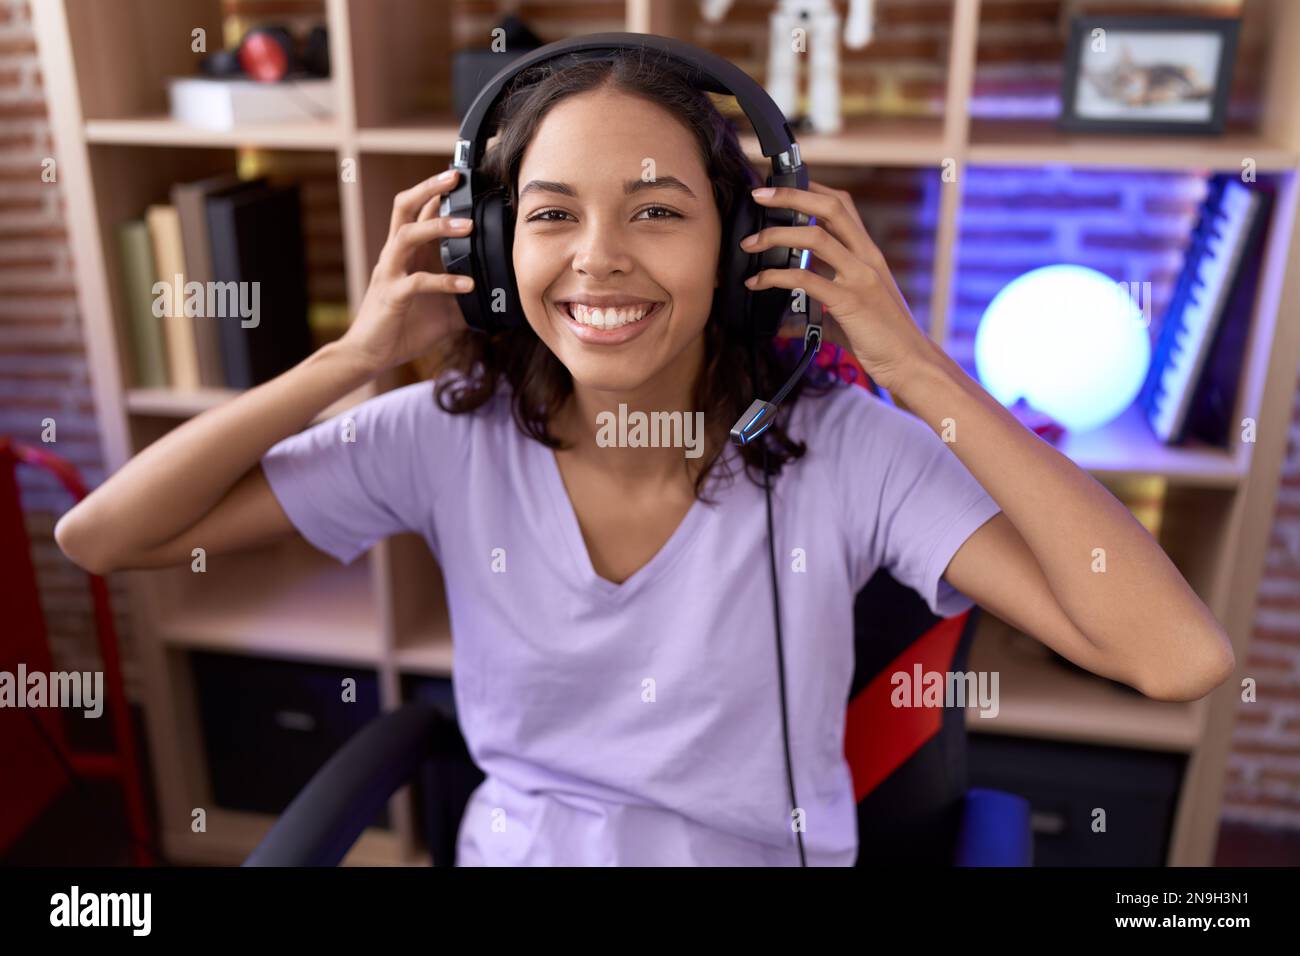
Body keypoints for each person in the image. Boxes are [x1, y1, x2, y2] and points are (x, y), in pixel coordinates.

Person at [56, 50, 1236, 866]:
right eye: (552, 213)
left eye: (658, 210)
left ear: (743, 248)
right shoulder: (442, 434)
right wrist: (350, 361)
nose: (599, 258)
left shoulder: (846, 449)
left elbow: (1176, 656)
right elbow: (106, 536)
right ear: (491, 251)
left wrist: (919, 369)